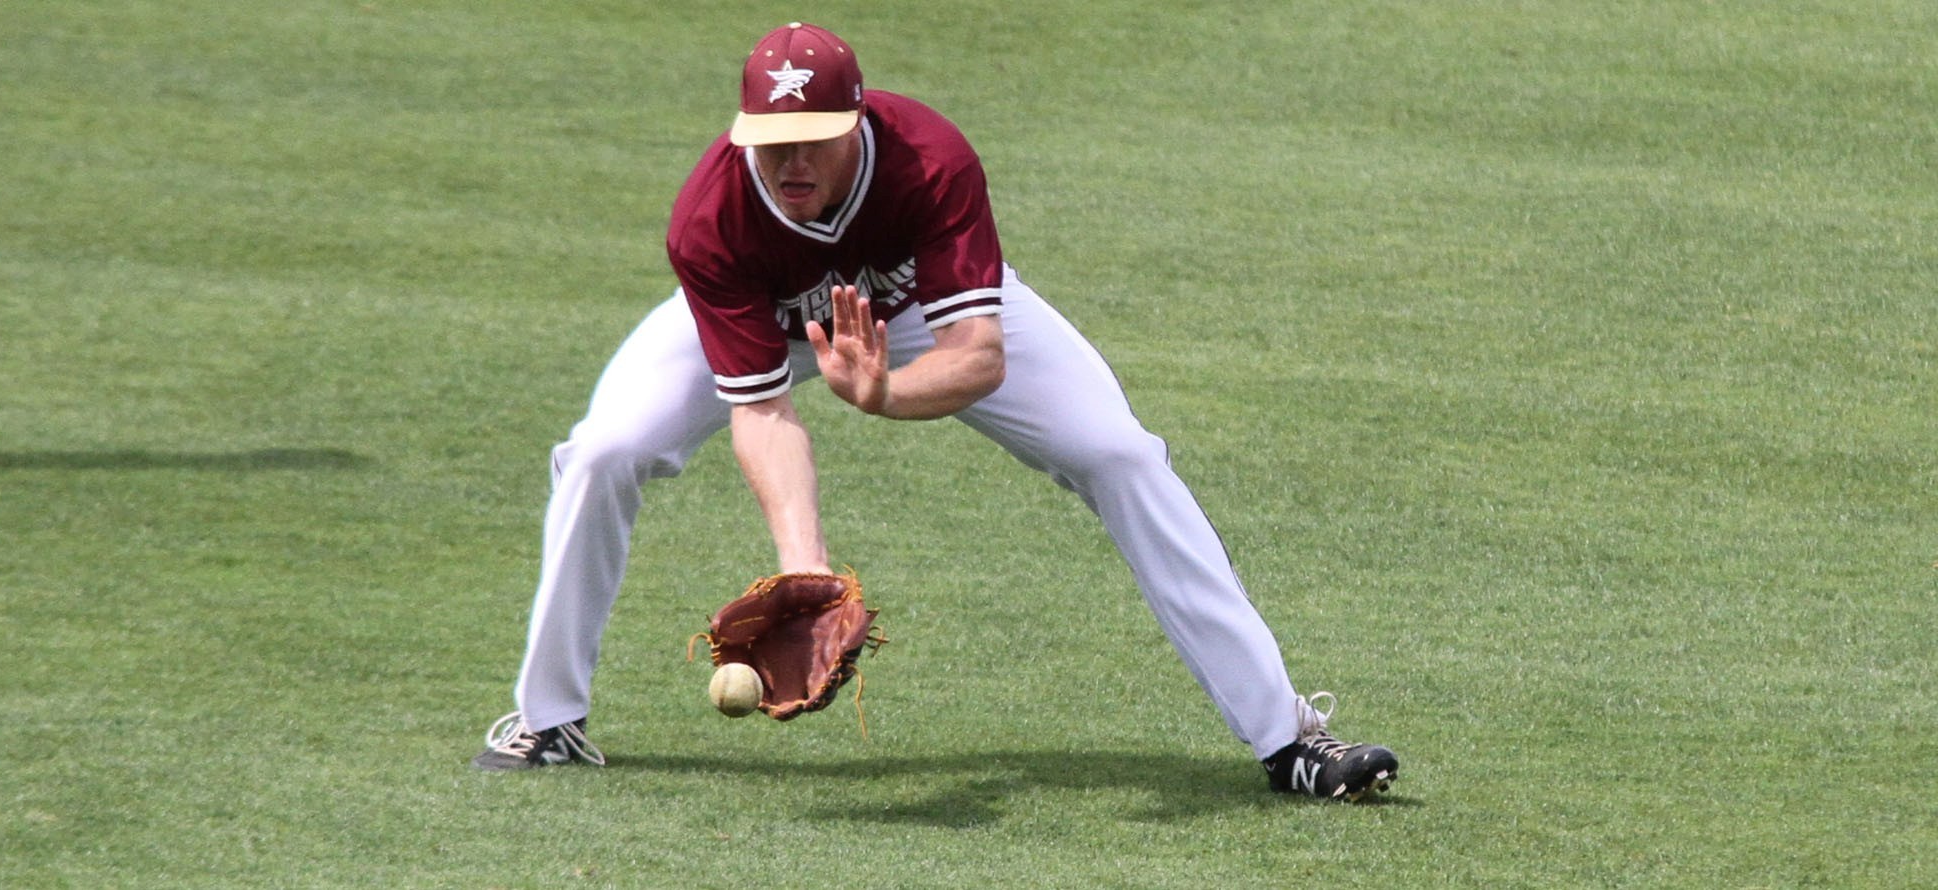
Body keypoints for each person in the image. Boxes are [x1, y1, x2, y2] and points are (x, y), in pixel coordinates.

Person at [472, 22, 1399, 801]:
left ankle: (1288, 741)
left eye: (815, 135)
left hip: (918, 321)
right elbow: (762, 411)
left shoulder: (927, 159)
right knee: (603, 451)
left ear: (860, 119)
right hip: (768, 321)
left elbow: (980, 358)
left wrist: (884, 393)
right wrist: (809, 578)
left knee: (1118, 453)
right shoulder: (712, 216)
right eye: (769, 138)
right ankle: (548, 719)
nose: (790, 159)